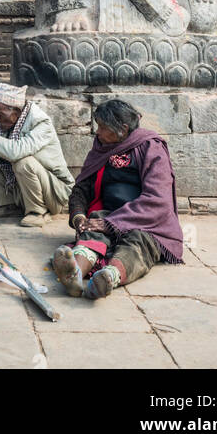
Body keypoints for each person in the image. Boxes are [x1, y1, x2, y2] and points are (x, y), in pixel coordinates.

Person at [53, 97, 183, 299]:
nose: (97, 132)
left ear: (122, 129)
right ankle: (75, 273)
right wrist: (79, 218)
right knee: (92, 227)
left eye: (103, 127)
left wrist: (112, 224)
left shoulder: (151, 147)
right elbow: (81, 189)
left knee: (139, 241)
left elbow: (157, 199)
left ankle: (109, 276)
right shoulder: (100, 148)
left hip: (145, 221)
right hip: (107, 214)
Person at [0, 81, 74, 226]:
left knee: (23, 161)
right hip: (22, 191)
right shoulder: (2, 123)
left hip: (56, 194)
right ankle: (9, 205)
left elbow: (15, 152)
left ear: (16, 111)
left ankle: (39, 212)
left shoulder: (41, 123)